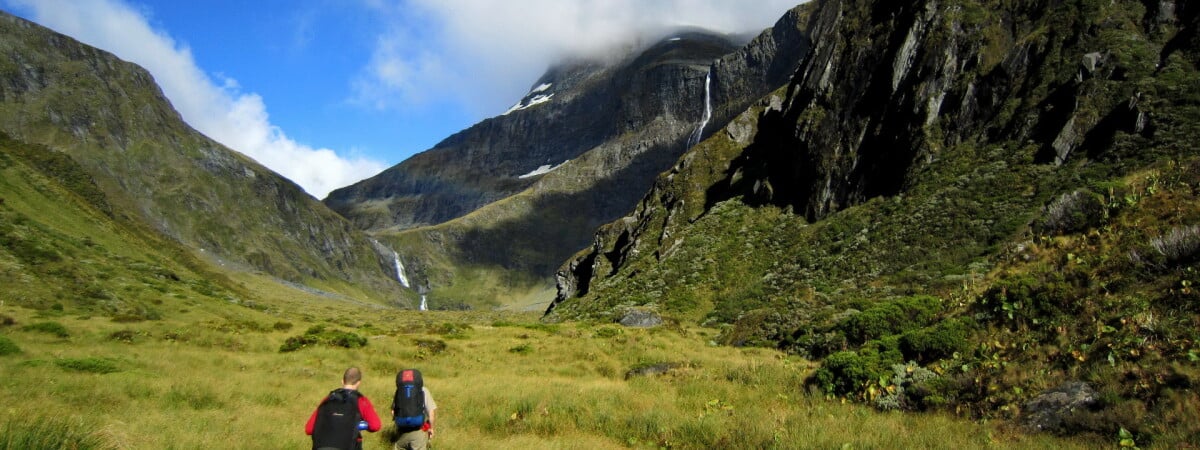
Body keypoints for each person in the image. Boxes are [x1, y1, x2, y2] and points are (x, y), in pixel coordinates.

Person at [306, 367, 383, 450]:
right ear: (358, 383)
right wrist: (359, 425)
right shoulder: (361, 401)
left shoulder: (327, 399)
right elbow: (375, 426)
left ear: (342, 381)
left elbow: (309, 429)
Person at [392, 370, 437, 450]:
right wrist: (431, 428)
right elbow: (431, 414)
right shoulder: (423, 391)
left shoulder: (399, 391)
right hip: (419, 432)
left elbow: (393, 412)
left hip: (401, 433)